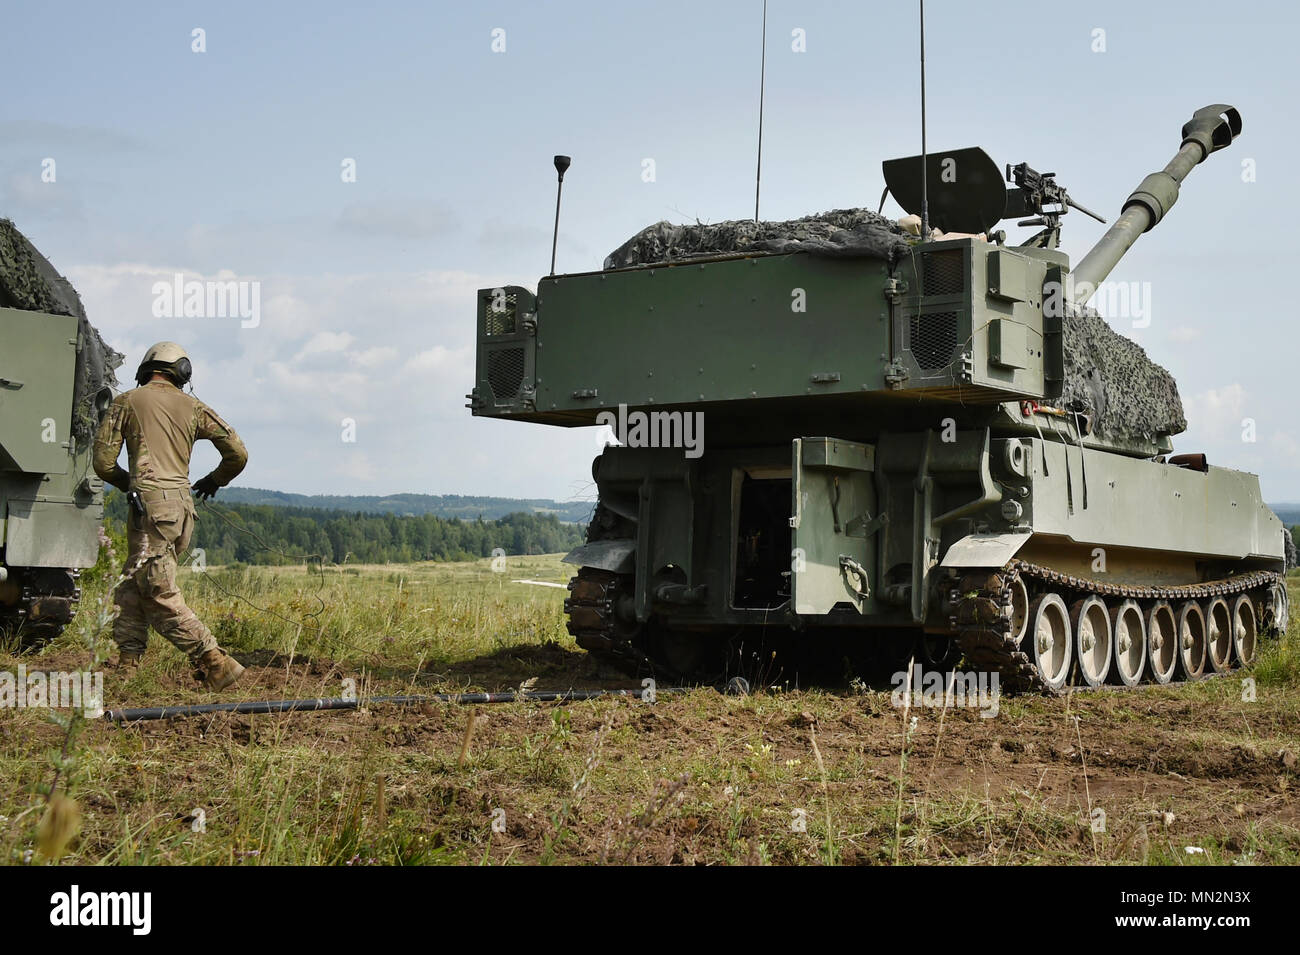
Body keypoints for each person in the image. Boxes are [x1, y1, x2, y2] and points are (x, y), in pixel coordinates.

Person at [93, 341, 249, 690]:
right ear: (182, 373)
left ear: (147, 369)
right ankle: (128, 666)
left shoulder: (127, 401)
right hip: (181, 510)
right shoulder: (194, 407)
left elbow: (102, 463)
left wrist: (128, 484)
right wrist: (214, 480)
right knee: (134, 585)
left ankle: (215, 661)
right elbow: (237, 453)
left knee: (158, 591)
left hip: (149, 508)